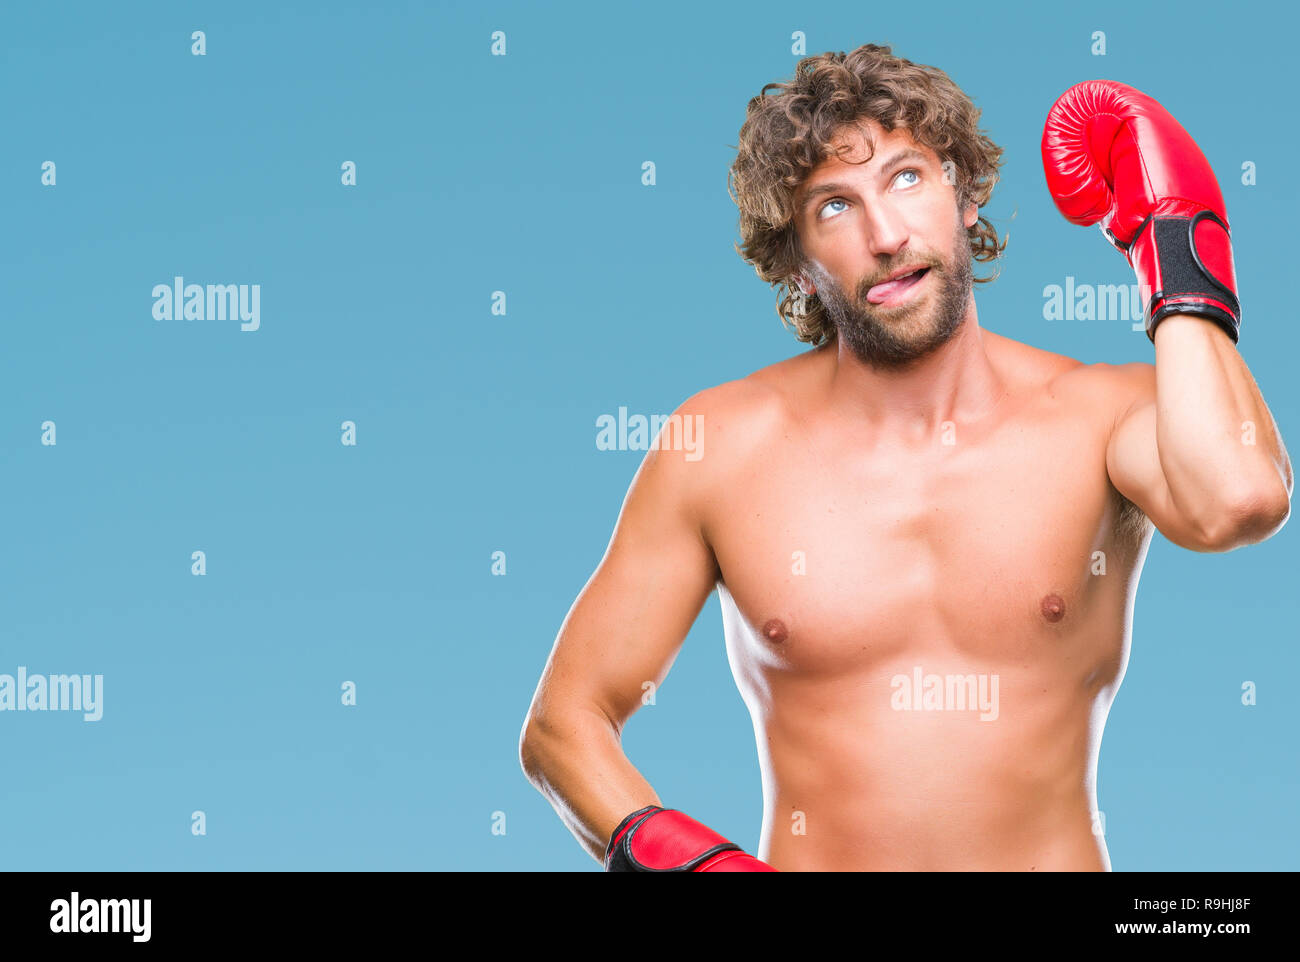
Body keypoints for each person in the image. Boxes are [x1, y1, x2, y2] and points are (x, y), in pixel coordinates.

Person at [519, 44, 1292, 871]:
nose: (886, 234)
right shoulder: (719, 445)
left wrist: (1172, 241)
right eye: (834, 208)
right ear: (800, 266)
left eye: (908, 179)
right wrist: (693, 864)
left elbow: (1238, 497)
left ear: (965, 192)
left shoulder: (1100, 416)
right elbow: (564, 726)